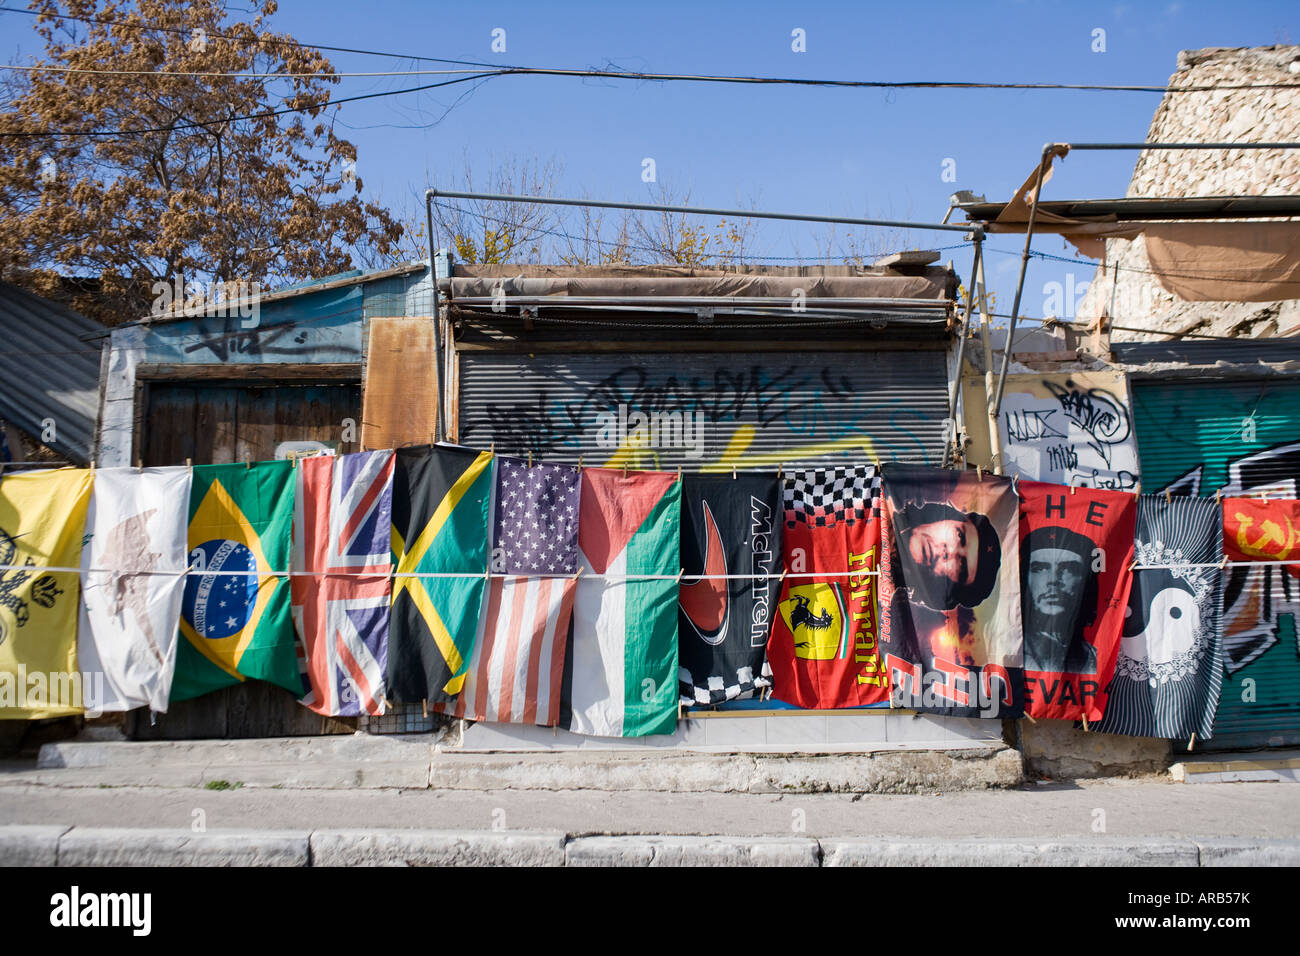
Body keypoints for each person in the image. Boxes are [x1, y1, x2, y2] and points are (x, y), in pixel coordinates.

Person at [894, 502, 1001, 611]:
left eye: (962, 565)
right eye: (960, 535)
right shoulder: (883, 503)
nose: (950, 551)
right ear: (945, 518)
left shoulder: (891, 608)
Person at [1020, 525, 1099, 673]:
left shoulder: (1093, 658)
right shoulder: (1009, 651)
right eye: (1040, 568)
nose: (1053, 580)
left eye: (1068, 568)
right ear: (1026, 579)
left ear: (1085, 581)